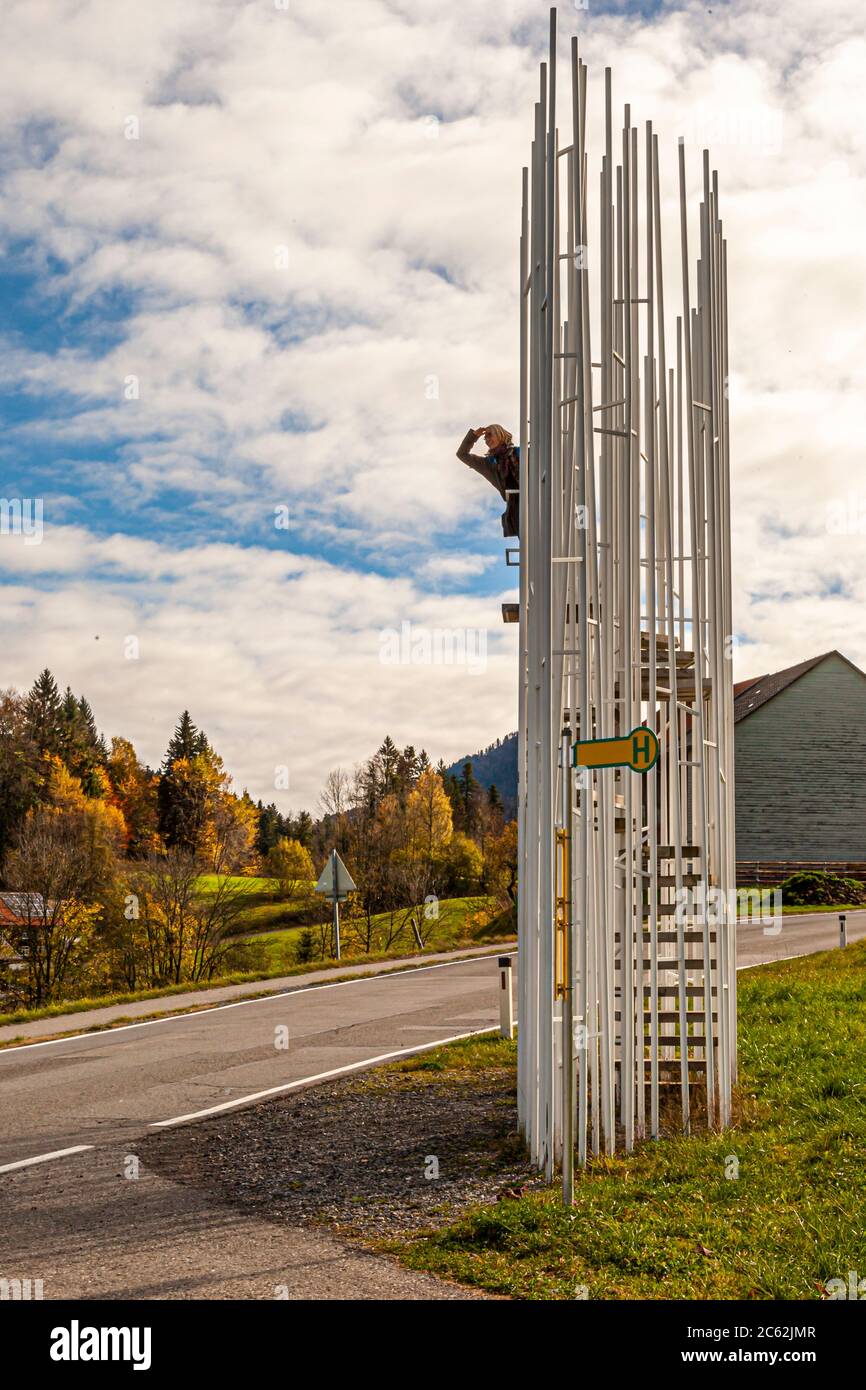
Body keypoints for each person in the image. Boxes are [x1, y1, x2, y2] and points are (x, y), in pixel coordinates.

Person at [456, 423, 520, 537]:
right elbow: (462, 454)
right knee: (529, 545)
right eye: (485, 438)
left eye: (490, 435)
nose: (487, 440)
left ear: (500, 434)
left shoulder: (521, 452)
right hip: (516, 509)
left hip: (538, 499)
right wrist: (474, 436)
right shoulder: (488, 464)